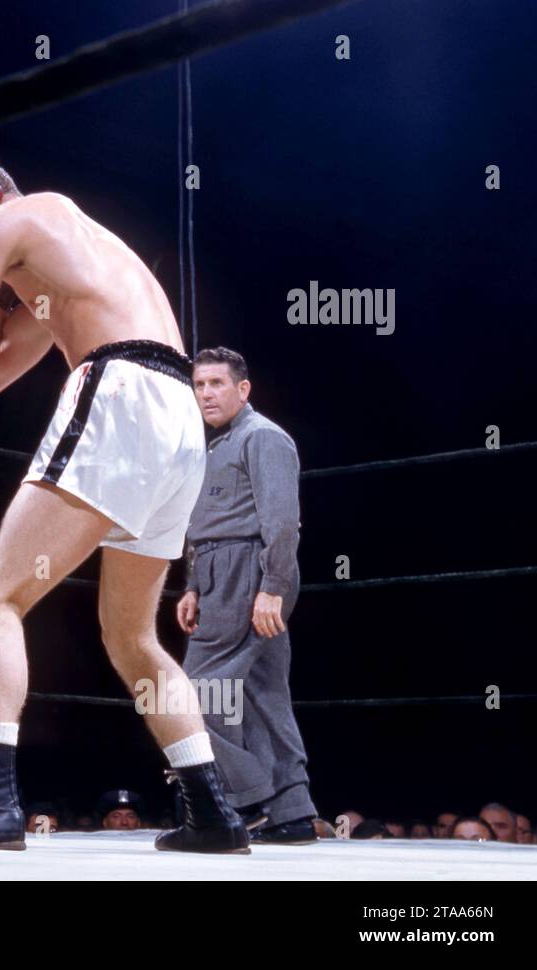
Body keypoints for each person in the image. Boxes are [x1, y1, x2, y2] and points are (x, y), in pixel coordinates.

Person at [0, 151, 247, 853]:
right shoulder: (63, 250)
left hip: (122, 392)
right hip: (177, 419)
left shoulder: (18, 214)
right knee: (131, 636)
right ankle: (212, 810)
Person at [174, 346, 317, 845]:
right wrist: (193, 583)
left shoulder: (264, 437)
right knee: (261, 693)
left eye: (216, 383)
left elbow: (282, 521)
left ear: (243, 388)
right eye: (199, 385)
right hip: (224, 572)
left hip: (248, 570)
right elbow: (205, 523)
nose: (207, 393)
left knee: (191, 693)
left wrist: (272, 587)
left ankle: (245, 798)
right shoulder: (215, 446)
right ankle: (290, 813)